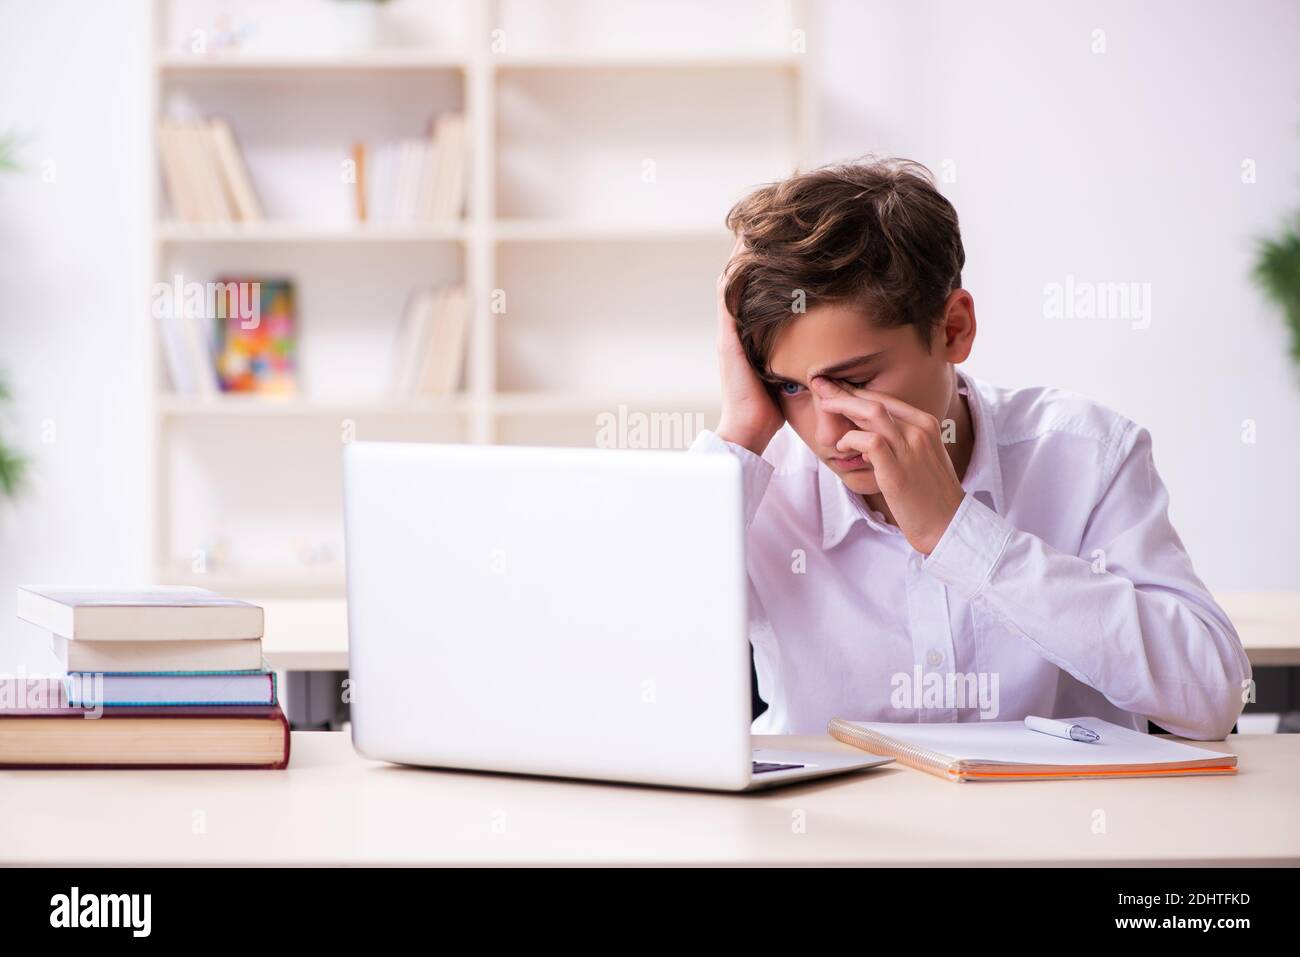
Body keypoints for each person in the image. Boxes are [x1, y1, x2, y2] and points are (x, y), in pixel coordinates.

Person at [693, 157, 1249, 740]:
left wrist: (958, 534)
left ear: (953, 329)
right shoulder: (753, 490)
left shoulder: (1085, 455)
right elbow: (619, 666)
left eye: (854, 382)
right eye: (789, 387)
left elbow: (1215, 697)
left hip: (1060, 828)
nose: (829, 433)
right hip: (832, 832)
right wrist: (739, 435)